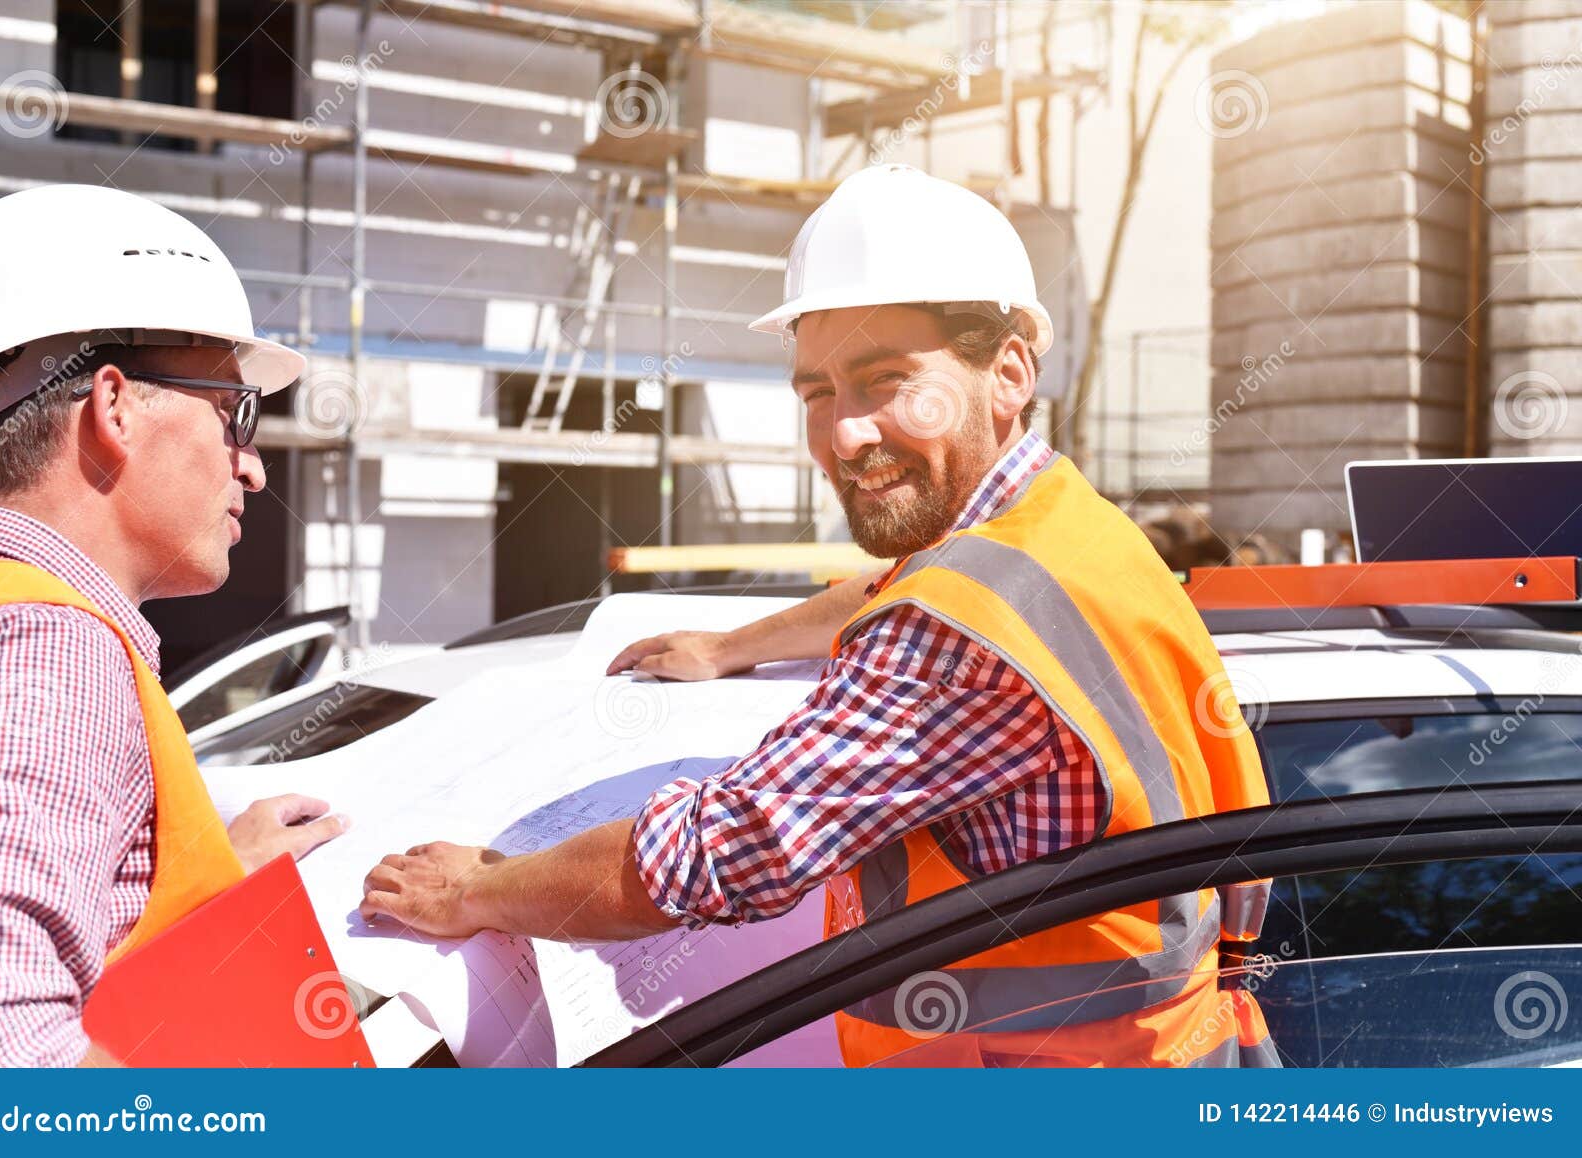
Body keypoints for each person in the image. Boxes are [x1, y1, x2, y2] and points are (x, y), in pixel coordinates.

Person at [360, 164, 1276, 1067]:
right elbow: (902, 590)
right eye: (816, 392)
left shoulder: (956, 638)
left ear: (1007, 373)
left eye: (884, 381)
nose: (844, 433)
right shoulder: (1066, 526)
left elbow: (714, 853)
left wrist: (481, 888)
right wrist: (731, 647)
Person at [0, 185, 349, 1067]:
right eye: (234, 414)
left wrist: (193, 880)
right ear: (114, 407)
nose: (252, 469)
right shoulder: (50, 650)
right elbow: (9, 1055)